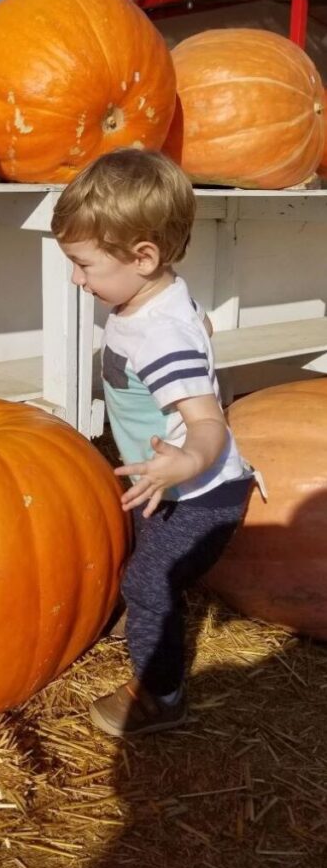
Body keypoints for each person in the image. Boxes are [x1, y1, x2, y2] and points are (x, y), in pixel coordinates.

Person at [51, 148, 255, 737]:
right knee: (144, 561)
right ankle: (146, 616)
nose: (75, 278)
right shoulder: (156, 296)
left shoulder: (162, 338)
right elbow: (197, 321)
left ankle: (161, 695)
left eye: (84, 265)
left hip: (202, 490)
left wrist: (186, 459)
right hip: (167, 481)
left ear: (144, 257)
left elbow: (209, 422)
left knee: (149, 578)